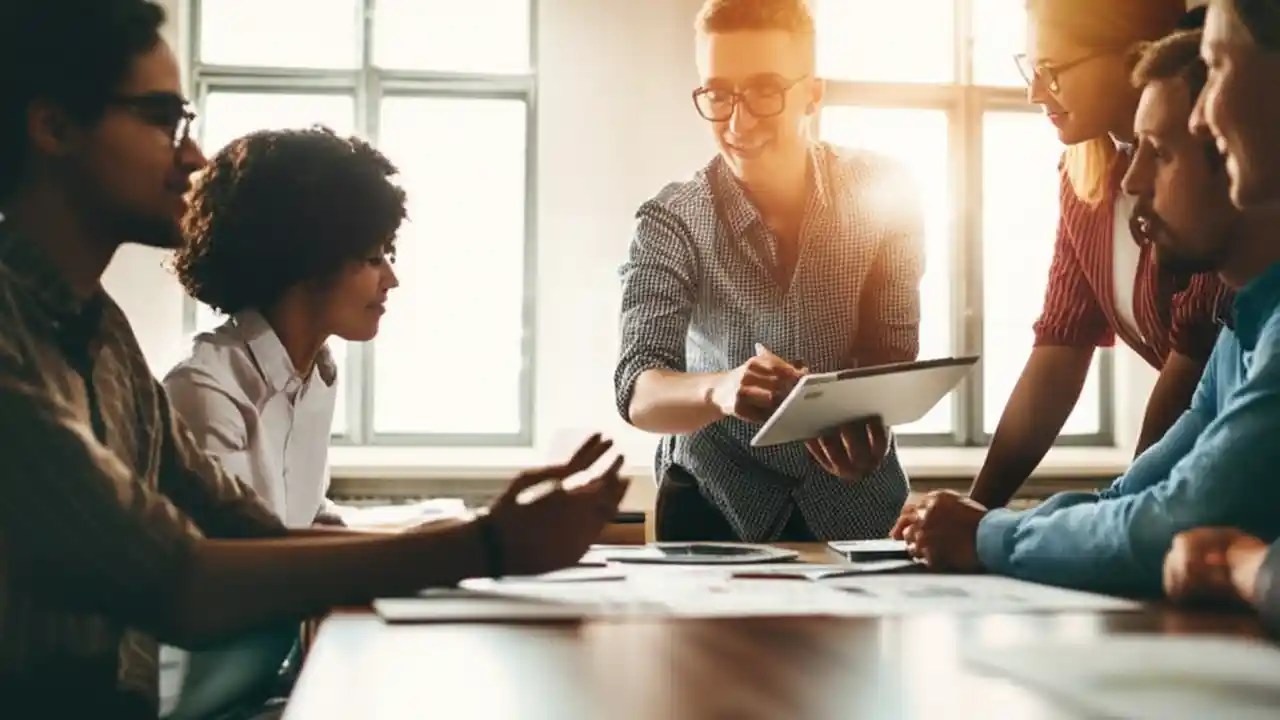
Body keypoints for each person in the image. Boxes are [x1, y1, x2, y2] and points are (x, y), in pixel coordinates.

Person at [0, 2, 627, 716]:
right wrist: (486, 545)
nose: (194, 157)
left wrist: (487, 534)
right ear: (52, 126)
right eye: (160, 118)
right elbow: (178, 580)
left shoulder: (104, 333)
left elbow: (247, 527)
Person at [897, 29, 1280, 597]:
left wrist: (987, 534)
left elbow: (1171, 520)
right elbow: (1131, 495)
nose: (1132, 181)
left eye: (1162, 153)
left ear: (1232, 153)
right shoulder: (1240, 332)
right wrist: (984, 522)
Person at [615, 0, 924, 542]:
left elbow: (892, 355)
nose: (739, 121)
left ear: (812, 93)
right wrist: (719, 389)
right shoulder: (671, 218)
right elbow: (639, 388)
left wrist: (863, 422)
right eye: (718, 93)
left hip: (858, 510)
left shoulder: (886, 190)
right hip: (711, 508)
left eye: (764, 91)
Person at [915, 0, 1231, 521]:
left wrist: (1119, 520)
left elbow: (1190, 367)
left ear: (1137, 56)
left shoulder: (1204, 173)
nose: (1035, 91)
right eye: (1031, 68)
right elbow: (1060, 348)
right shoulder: (1083, 174)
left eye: (1053, 71)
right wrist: (979, 505)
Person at [160, 128, 404, 717]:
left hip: (269, 684)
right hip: (200, 705)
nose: (391, 280)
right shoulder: (206, 390)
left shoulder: (315, 373)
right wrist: (459, 549)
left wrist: (423, 535)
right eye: (373, 259)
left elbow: (301, 515)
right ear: (308, 261)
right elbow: (240, 566)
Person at [1161, 0, 1280, 630]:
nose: (1202, 118)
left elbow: (1191, 510)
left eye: (1218, 67)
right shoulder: (1242, 324)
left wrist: (1246, 564)